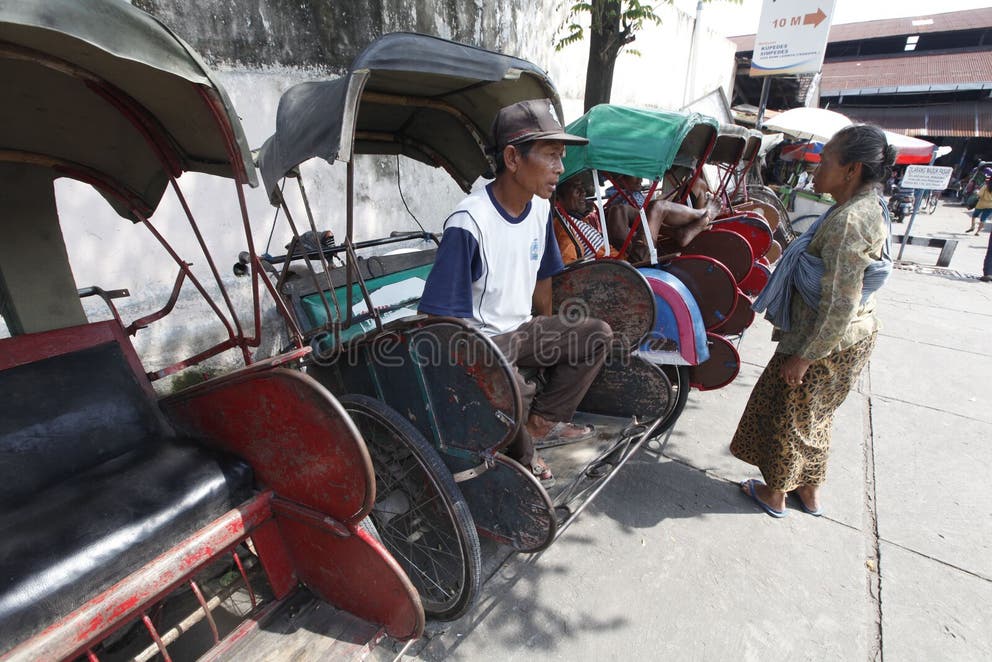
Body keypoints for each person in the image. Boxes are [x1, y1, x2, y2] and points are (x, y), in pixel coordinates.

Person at [418, 99, 614, 484]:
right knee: (512, 387)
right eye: (552, 156)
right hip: (482, 342)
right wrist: (476, 372)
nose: (561, 167)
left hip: (522, 331)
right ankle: (523, 456)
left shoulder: (541, 207)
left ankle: (538, 428)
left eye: (561, 156)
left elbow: (544, 277)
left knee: (597, 335)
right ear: (512, 158)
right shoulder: (469, 222)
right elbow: (442, 322)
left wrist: (550, 336)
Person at [731, 124, 896, 518]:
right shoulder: (866, 206)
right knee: (815, 416)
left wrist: (805, 357)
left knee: (788, 413)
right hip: (850, 336)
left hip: (824, 341)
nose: (815, 173)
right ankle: (810, 491)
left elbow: (840, 302)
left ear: (851, 170)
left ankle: (775, 494)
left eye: (824, 163)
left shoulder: (850, 221)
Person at [603, 173, 721, 263]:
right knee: (656, 207)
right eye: (635, 175)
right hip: (633, 262)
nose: (641, 179)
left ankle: (680, 231)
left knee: (619, 209)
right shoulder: (621, 197)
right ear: (620, 180)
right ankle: (704, 214)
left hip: (627, 254)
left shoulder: (618, 204)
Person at [553, 175, 617, 263]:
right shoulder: (564, 225)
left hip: (618, 263)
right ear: (558, 198)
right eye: (576, 189)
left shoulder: (577, 220)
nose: (583, 192)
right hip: (611, 269)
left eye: (582, 187)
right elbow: (569, 263)